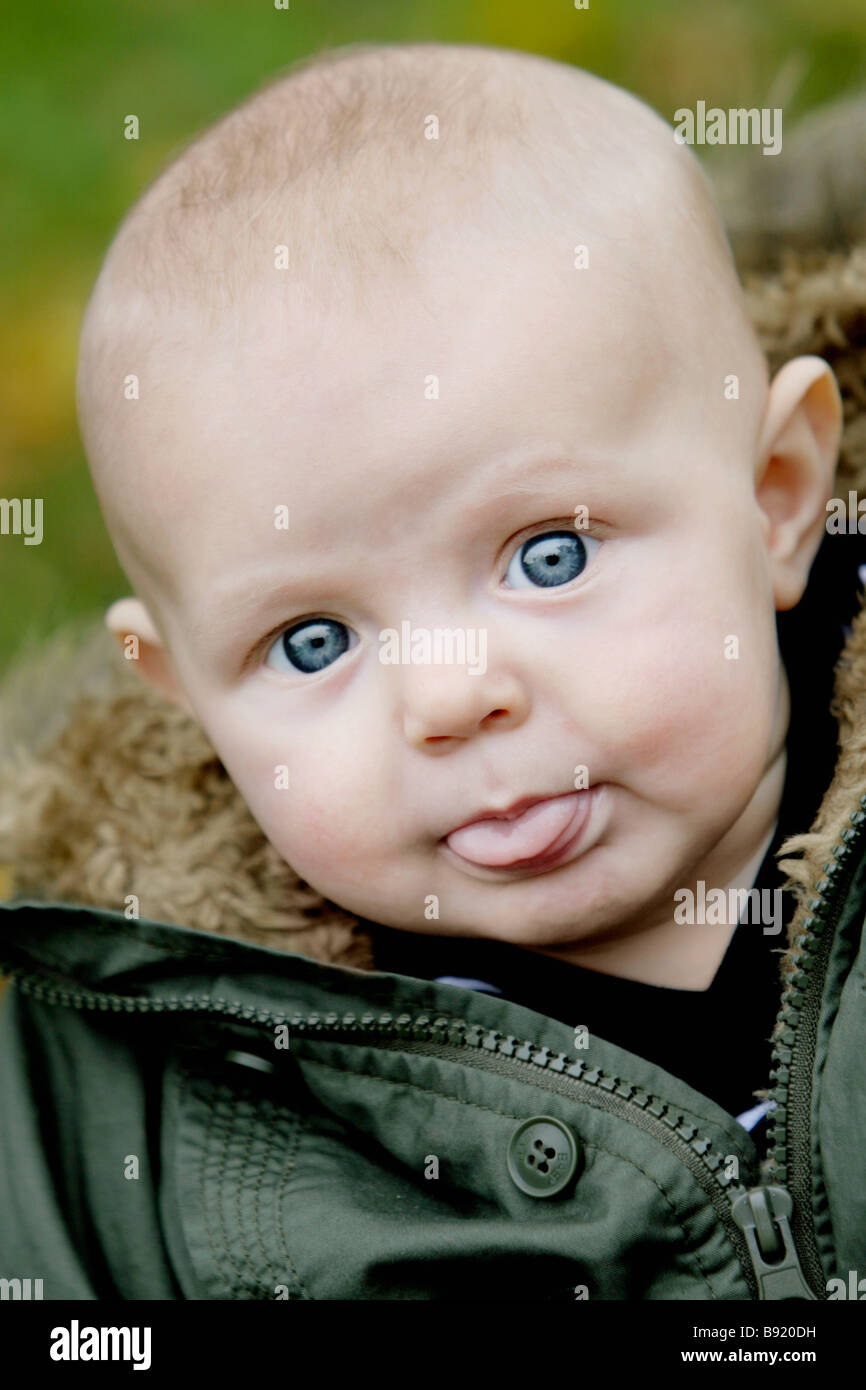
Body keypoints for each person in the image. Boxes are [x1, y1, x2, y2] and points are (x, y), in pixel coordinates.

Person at [2, 41, 866, 1301]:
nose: (452, 699)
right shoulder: (135, 1098)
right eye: (313, 642)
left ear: (775, 497)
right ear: (181, 689)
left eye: (550, 554)